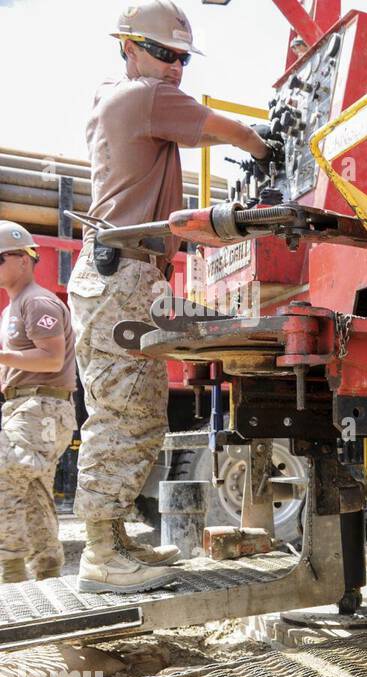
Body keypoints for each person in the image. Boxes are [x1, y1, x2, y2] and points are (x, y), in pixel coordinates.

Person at [68, 0, 277, 593]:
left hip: (128, 273)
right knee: (125, 413)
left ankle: (113, 540)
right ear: (128, 47)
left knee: (138, 408)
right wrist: (266, 147)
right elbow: (225, 128)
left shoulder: (119, 97)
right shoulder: (144, 96)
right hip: (124, 275)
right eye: (163, 53)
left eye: (182, 58)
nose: (174, 67)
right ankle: (102, 557)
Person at [0, 223, 78, 583]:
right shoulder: (12, 308)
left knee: (5, 474)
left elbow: (50, 360)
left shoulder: (38, 301)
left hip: (42, 407)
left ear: (25, 258)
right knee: (32, 493)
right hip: (25, 407)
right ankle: (48, 575)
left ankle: (9, 572)